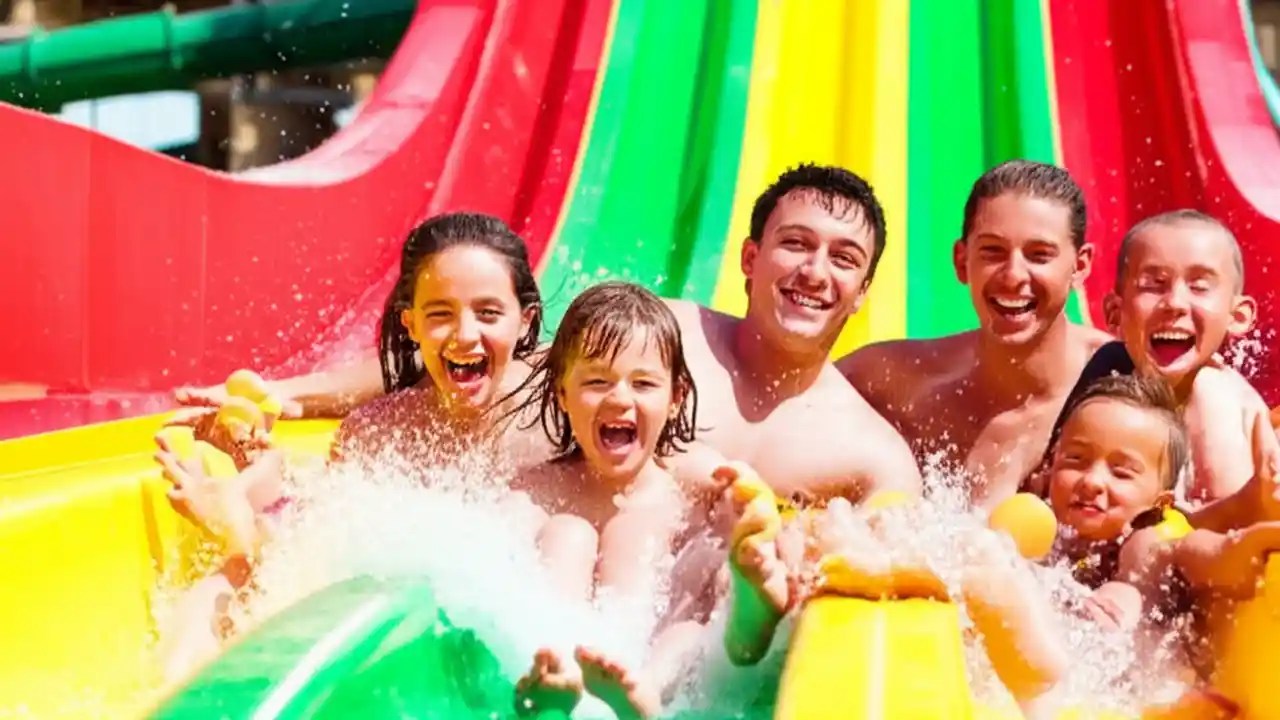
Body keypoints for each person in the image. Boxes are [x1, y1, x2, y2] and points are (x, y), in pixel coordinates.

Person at [177, 166, 925, 505]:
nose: (815, 271)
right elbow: (474, 359)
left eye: (844, 259)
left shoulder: (870, 453)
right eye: (796, 244)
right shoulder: (658, 331)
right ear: (752, 259)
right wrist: (288, 396)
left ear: (863, 293)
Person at [838, 160, 1112, 509]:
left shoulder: (1122, 384)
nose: (1013, 276)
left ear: (1081, 266)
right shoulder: (897, 381)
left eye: (1039, 255)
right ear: (961, 261)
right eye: (993, 252)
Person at [504, 282, 703, 718]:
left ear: (676, 398)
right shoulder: (533, 492)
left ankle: (642, 696)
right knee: (565, 534)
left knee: (689, 630)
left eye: (644, 383)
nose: (620, 398)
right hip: (554, 653)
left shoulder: (689, 494)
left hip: (650, 670)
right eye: (597, 381)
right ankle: (553, 676)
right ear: (562, 393)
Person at [1033, 210, 1270, 503]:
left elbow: (1229, 522)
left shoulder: (1214, 393)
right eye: (1154, 285)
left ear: (1237, 316)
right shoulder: (1110, 369)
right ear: (1114, 313)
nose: (1174, 303)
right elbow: (1047, 484)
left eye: (1198, 287)